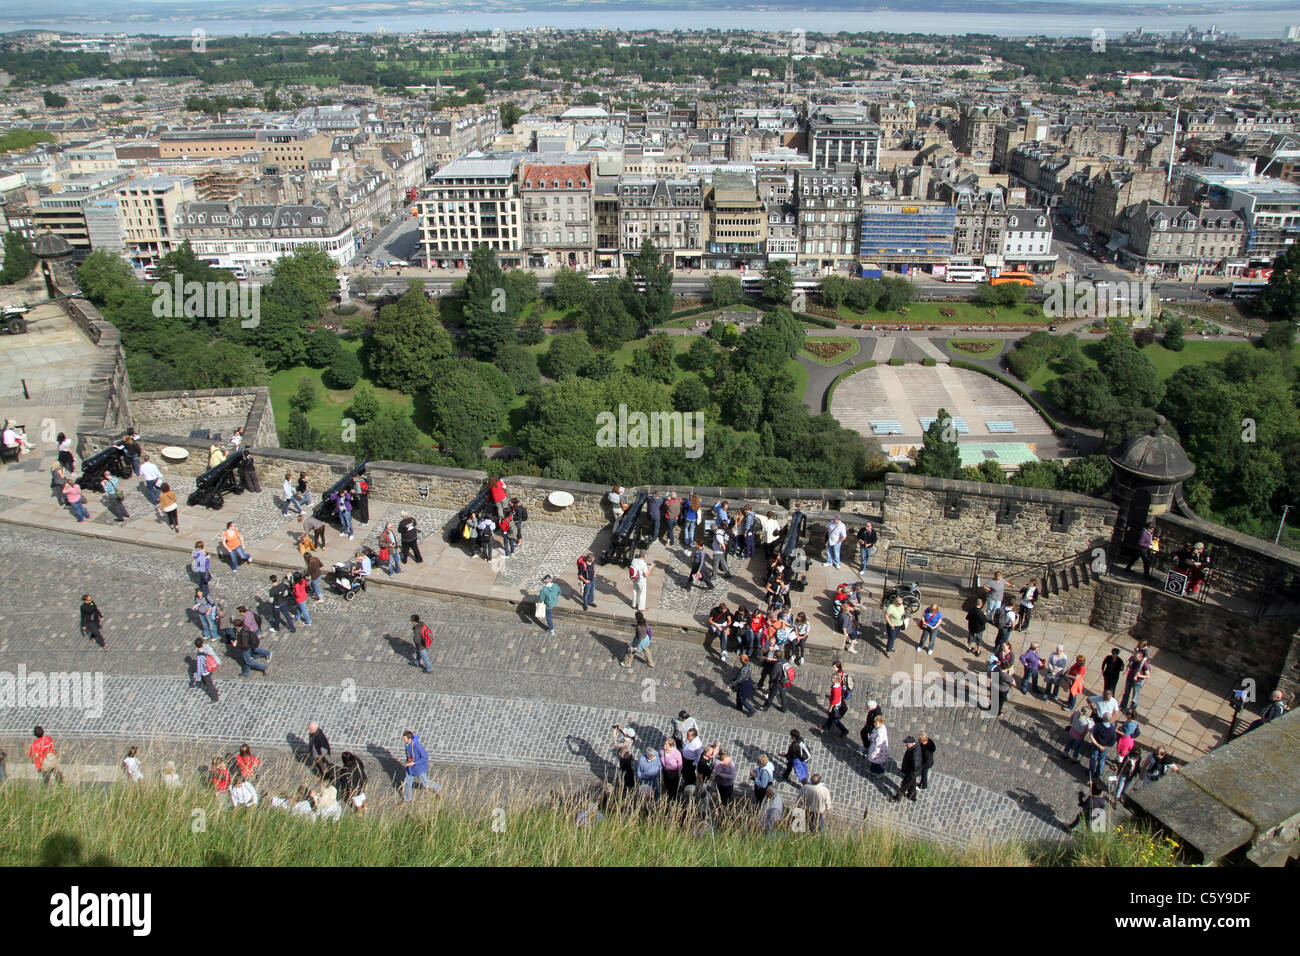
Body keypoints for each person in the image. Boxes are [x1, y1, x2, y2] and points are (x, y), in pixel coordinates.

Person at [401, 730, 440, 802]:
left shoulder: (417, 746)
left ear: (409, 739)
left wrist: (414, 763)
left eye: (404, 739)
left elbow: (425, 757)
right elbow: (409, 755)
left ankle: (438, 788)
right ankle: (407, 799)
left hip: (419, 768)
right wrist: (408, 762)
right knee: (408, 783)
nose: (402, 740)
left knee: (425, 782)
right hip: (410, 768)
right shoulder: (407, 745)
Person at [1121, 650, 1151, 715]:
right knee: (1126, 693)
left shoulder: (1145, 664)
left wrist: (1139, 675)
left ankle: (1132, 709)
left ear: (1140, 657)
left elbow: (1148, 676)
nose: (1134, 658)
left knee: (1135, 697)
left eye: (1136, 657)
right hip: (1129, 679)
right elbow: (1129, 665)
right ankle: (1123, 706)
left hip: (1137, 682)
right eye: (1134, 656)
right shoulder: (1133, 659)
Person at [892, 736, 920, 802]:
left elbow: (915, 765)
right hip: (913, 773)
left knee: (904, 786)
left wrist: (909, 772)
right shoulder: (915, 747)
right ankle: (912, 796)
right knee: (912, 784)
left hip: (911, 773)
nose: (906, 745)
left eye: (907, 744)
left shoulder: (915, 753)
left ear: (911, 743)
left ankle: (897, 798)